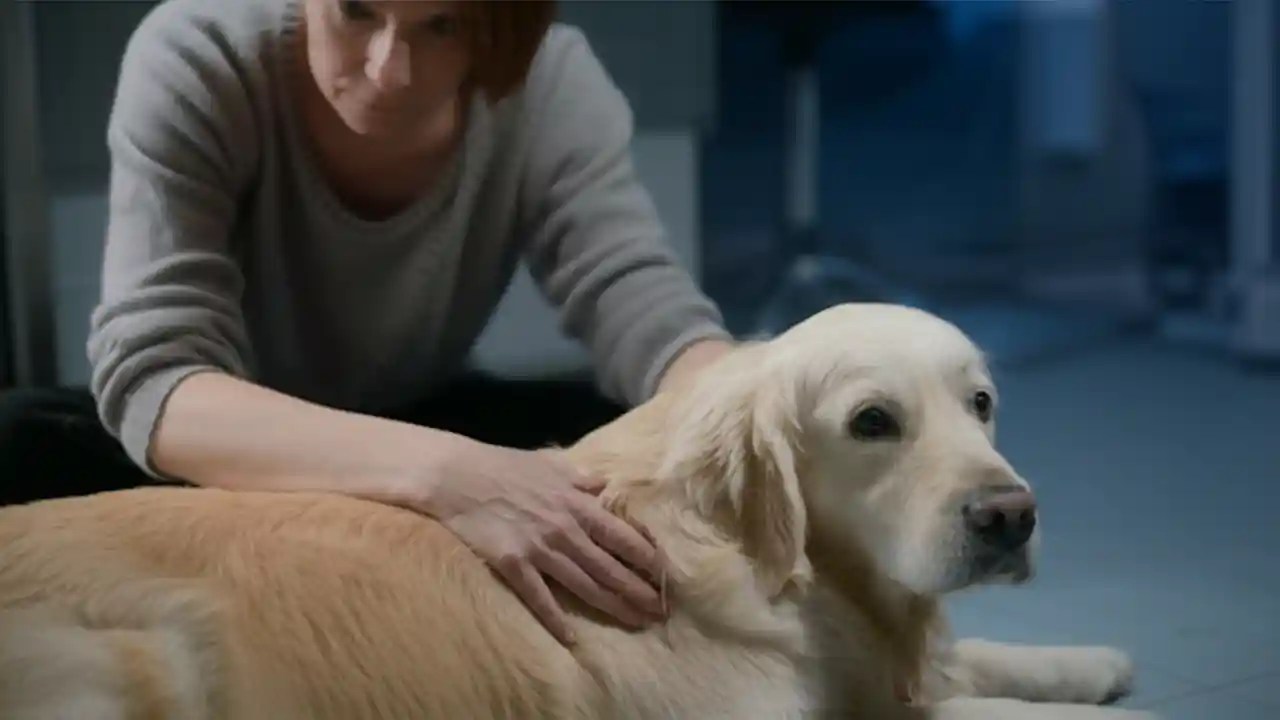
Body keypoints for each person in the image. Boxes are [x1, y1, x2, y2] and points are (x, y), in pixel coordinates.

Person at [0, 0, 735, 647]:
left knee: (630, 444)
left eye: (441, 25)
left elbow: (638, 297)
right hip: (231, 451)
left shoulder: (550, 82)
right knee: (16, 438)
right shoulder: (200, 53)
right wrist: (450, 477)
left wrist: (755, 411)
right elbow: (155, 379)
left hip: (418, 409)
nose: (389, 70)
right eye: (356, 10)